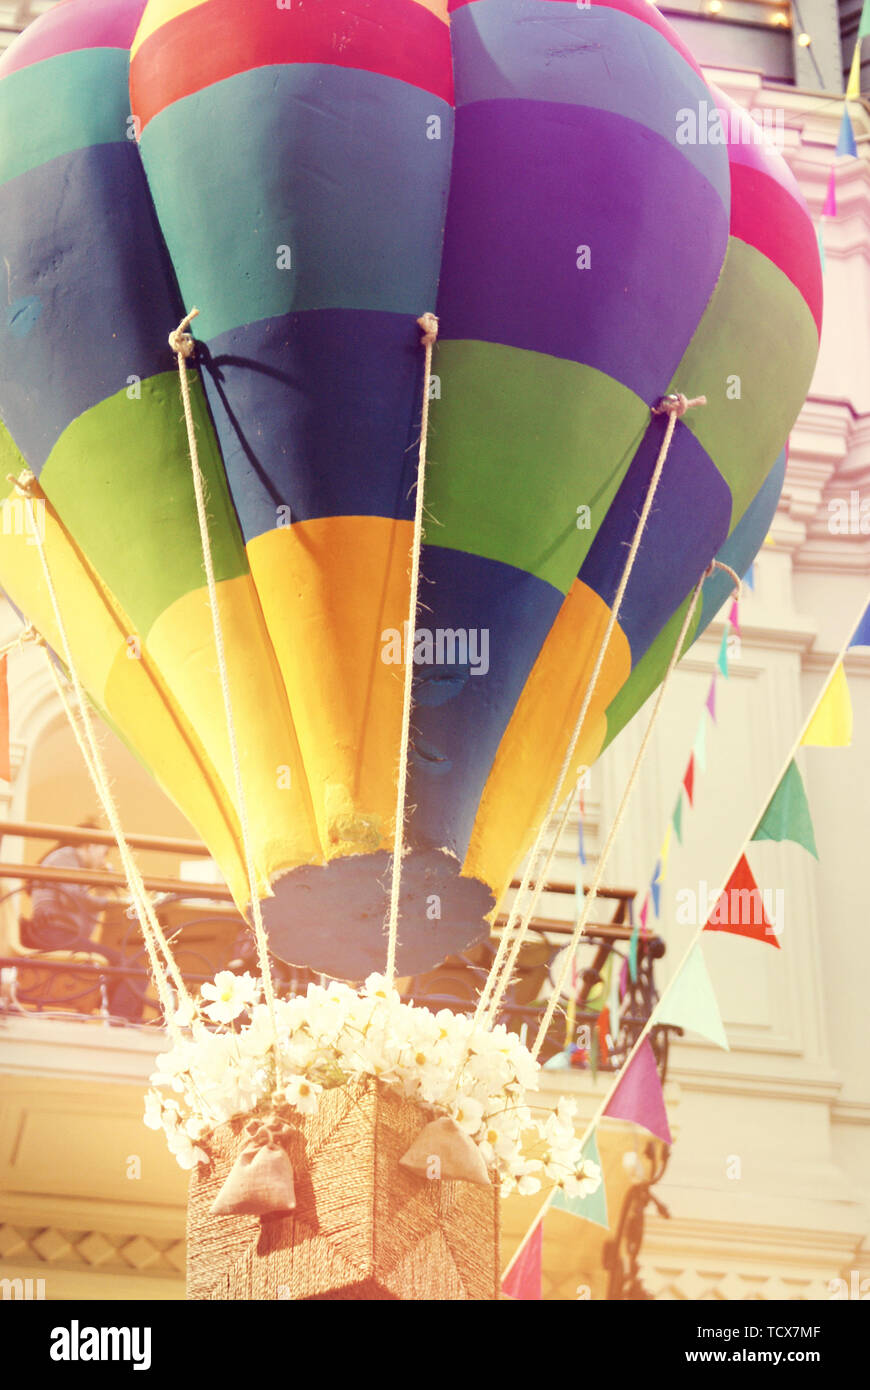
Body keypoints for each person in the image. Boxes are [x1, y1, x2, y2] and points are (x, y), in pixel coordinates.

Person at [25, 820, 141, 1020]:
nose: (103, 860)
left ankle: (121, 1019)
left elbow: (84, 930)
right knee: (133, 969)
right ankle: (121, 1021)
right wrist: (111, 902)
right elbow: (71, 899)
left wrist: (102, 889)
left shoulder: (73, 866)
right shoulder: (67, 856)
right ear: (90, 845)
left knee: (125, 967)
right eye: (103, 853)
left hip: (60, 935)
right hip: (52, 934)